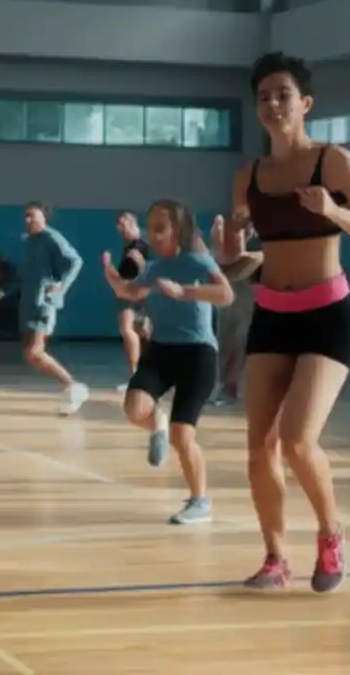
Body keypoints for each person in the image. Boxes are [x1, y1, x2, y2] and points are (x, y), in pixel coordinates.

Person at [219, 52, 350, 594]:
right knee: (259, 447)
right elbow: (244, 261)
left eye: (283, 94)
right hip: (272, 315)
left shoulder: (332, 162)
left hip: (325, 316)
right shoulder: (247, 178)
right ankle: (275, 558)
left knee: (296, 439)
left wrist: (333, 211)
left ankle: (331, 533)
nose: (273, 104)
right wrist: (230, 251)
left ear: (305, 103)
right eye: (263, 96)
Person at [103, 200, 233, 524]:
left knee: (182, 435)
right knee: (134, 408)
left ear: (178, 230)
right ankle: (157, 423)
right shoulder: (154, 267)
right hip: (161, 350)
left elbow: (225, 294)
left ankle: (200, 501)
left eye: (160, 228)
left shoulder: (198, 260)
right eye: (150, 228)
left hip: (198, 353)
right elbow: (133, 292)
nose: (154, 235)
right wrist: (115, 282)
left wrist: (185, 292)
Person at [0, 202, 88, 415]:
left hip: (44, 303)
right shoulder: (30, 242)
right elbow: (26, 276)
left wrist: (62, 285)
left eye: (32, 215)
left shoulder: (52, 238)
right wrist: (3, 292)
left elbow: (76, 261)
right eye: (25, 216)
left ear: (43, 217)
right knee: (31, 355)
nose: (28, 220)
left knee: (34, 351)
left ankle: (73, 386)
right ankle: (71, 386)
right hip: (28, 304)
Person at [210, 216, 263, 406]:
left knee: (241, 343)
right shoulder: (228, 246)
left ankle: (230, 387)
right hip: (230, 304)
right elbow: (222, 267)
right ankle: (223, 385)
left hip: (249, 303)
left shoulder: (259, 246)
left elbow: (243, 267)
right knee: (226, 344)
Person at [114, 210, 150, 389]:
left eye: (123, 224)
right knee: (140, 332)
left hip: (132, 294)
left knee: (127, 329)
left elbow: (142, 269)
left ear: (132, 224)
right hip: (133, 293)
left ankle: (135, 375)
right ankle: (142, 376)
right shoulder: (129, 246)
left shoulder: (138, 246)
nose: (120, 228)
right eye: (118, 225)